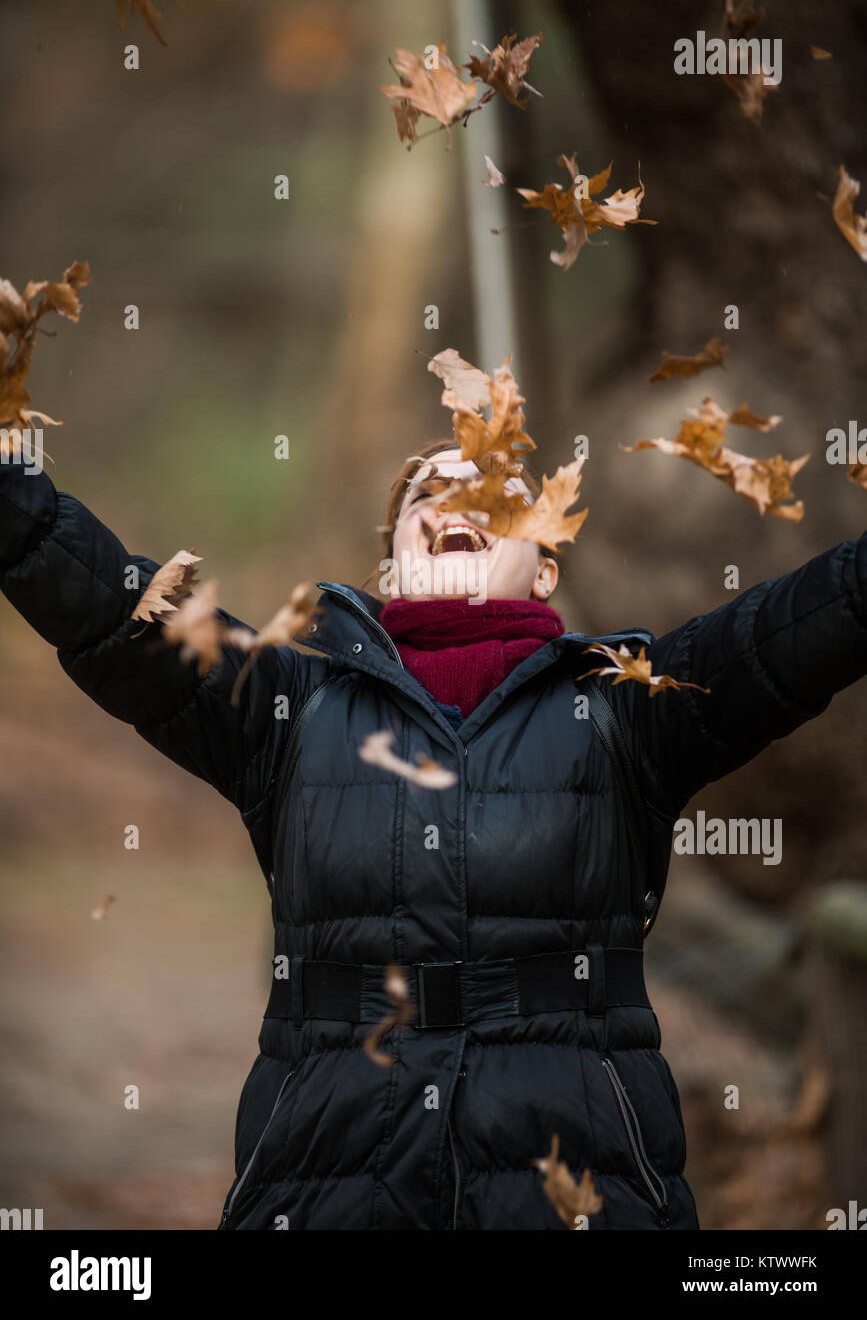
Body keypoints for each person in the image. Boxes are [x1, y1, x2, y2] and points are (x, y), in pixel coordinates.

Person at [1, 432, 865, 1231]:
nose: (455, 505)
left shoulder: (626, 711)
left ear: (545, 570)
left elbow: (786, 634)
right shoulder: (288, 711)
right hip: (327, 1176)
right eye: (427, 497)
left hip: (581, 1182)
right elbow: (116, 615)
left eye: (492, 494)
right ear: (393, 565)